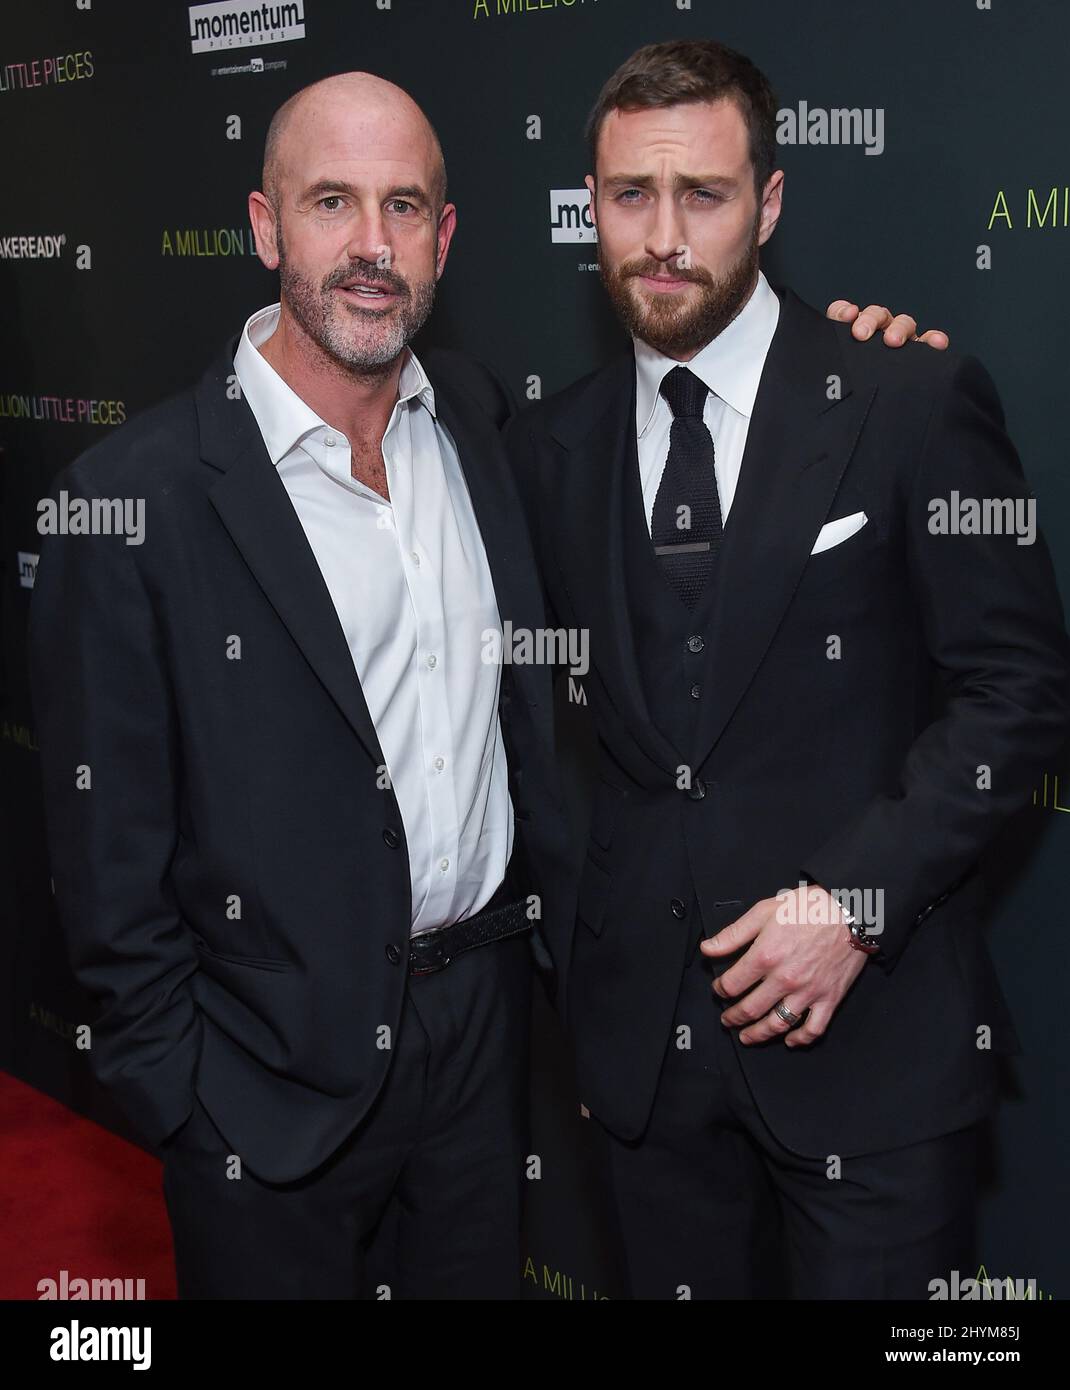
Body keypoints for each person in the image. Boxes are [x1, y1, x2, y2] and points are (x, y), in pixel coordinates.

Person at [29, 63, 935, 1301]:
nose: (369, 246)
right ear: (261, 226)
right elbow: (106, 854)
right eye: (330, 202)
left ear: (446, 239)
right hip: (264, 1084)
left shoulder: (481, 426)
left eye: (404, 208)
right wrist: (188, 1104)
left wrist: (861, 356)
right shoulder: (129, 503)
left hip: (483, 1046)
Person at [505, 39, 1070, 1299]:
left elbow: (1018, 687)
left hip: (869, 1044)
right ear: (588, 206)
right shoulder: (552, 448)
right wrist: (586, 971)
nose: (660, 236)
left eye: (700, 196)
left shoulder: (904, 397)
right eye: (626, 197)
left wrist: (853, 904)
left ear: (765, 203)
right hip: (647, 1063)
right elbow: (531, 727)